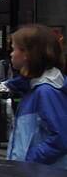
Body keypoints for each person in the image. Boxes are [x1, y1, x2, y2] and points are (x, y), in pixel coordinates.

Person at [5, 24, 67, 166]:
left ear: (27, 54)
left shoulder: (46, 91)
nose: (11, 53)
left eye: (14, 49)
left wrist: (28, 161)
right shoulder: (33, 90)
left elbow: (61, 138)